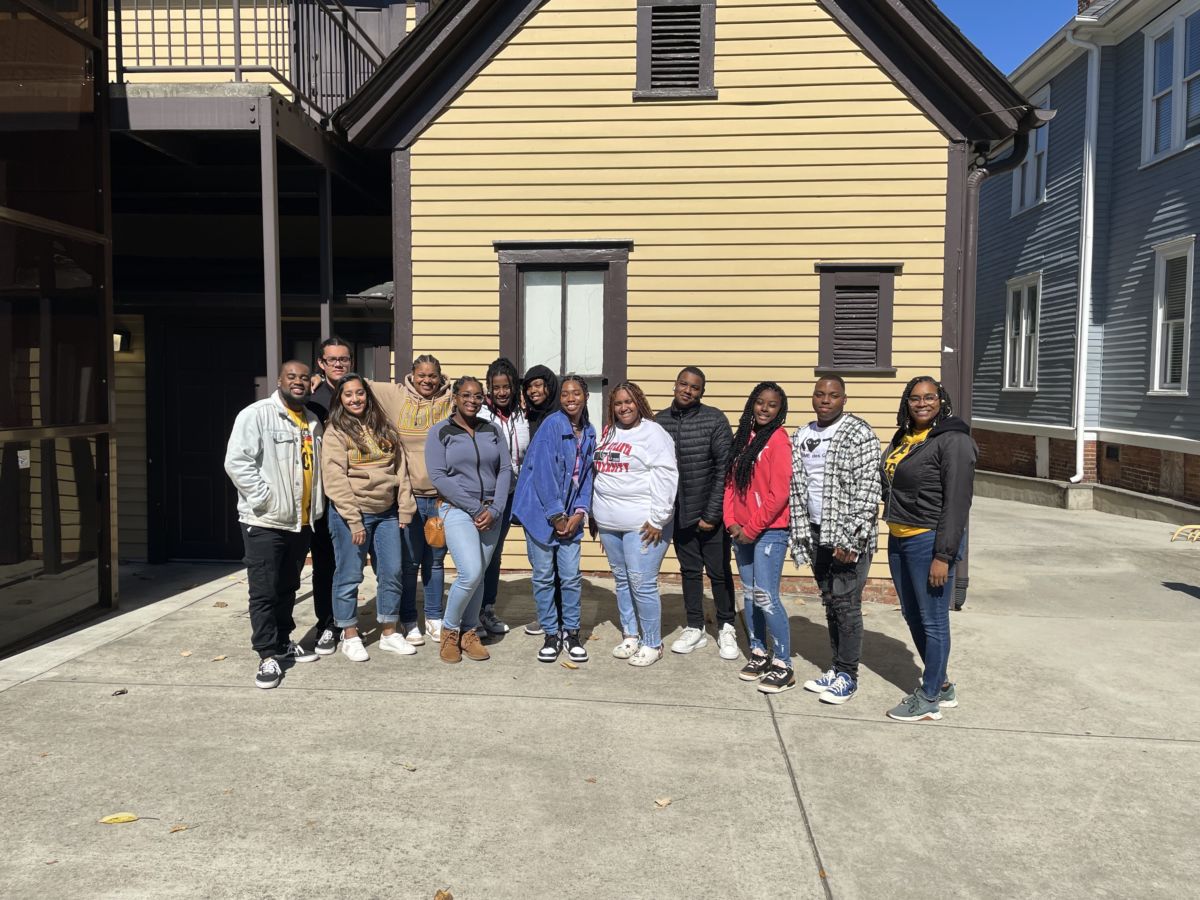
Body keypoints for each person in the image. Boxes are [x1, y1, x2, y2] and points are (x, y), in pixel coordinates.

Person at [881, 376, 976, 723]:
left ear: (941, 400)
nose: (922, 403)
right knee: (912, 614)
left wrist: (943, 555)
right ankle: (943, 683)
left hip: (928, 541)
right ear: (907, 402)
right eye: (915, 398)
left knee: (934, 621)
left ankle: (930, 696)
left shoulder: (953, 440)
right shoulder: (905, 438)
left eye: (929, 397)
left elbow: (957, 504)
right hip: (899, 537)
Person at [224, 360, 323, 689]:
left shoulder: (311, 421)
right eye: (292, 377)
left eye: (304, 378)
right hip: (265, 520)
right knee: (264, 590)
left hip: (300, 521)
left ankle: (282, 642)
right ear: (279, 380)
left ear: (312, 384)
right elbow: (237, 461)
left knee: (288, 586)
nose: (298, 382)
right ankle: (266, 655)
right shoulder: (257, 414)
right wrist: (264, 498)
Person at [788, 376, 881, 705]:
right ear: (812, 398)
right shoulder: (802, 435)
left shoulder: (858, 432)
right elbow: (798, 486)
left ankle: (848, 676)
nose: (825, 400)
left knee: (847, 604)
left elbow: (869, 488)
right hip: (814, 532)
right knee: (830, 602)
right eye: (819, 394)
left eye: (833, 395)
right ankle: (836, 666)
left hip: (846, 536)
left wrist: (852, 537)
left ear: (844, 399)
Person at [320, 374, 418, 663]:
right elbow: (334, 479)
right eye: (348, 394)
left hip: (387, 513)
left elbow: (401, 471)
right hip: (352, 513)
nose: (355, 399)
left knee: (392, 572)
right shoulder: (336, 431)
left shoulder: (384, 426)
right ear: (340, 399)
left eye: (359, 393)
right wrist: (353, 520)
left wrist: (404, 507)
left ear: (367, 395)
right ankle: (349, 634)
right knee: (349, 575)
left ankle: (389, 632)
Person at [425, 376, 512, 663]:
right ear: (455, 397)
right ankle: (449, 631)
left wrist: (496, 509)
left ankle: (469, 631)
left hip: (492, 512)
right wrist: (475, 509)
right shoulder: (440, 431)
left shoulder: (493, 430)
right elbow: (438, 476)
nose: (472, 401)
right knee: (471, 572)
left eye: (477, 396)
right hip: (458, 509)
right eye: (466, 395)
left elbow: (504, 470)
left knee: (481, 575)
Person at [592, 382, 679, 667]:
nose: (623, 407)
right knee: (622, 580)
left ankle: (652, 641)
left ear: (639, 402)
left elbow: (667, 474)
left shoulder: (653, 433)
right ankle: (631, 634)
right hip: (609, 523)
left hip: (642, 524)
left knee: (641, 583)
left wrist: (659, 518)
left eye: (629, 402)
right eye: (618, 403)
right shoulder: (609, 432)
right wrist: (596, 515)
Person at [655, 366, 739, 660]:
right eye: (683, 384)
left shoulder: (714, 419)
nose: (687, 390)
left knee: (718, 572)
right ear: (675, 385)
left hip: (709, 514)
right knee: (690, 572)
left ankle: (727, 625)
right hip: (678, 515)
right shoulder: (659, 421)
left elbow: (723, 469)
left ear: (702, 392)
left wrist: (713, 513)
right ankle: (695, 627)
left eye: (694, 387)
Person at [512, 375, 597, 664]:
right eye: (565, 394)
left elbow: (586, 477)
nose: (570, 398)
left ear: (585, 396)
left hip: (570, 516)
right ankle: (551, 632)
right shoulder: (551, 426)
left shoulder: (589, 432)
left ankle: (571, 632)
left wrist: (578, 513)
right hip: (541, 514)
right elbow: (543, 474)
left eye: (576, 393)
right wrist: (557, 516)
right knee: (545, 576)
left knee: (571, 577)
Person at [373, 355, 453, 643]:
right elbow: (359, 386)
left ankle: (433, 616)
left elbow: (476, 401)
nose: (427, 381)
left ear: (440, 377)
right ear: (412, 375)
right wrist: (325, 382)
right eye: (422, 375)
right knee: (408, 563)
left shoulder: (451, 400)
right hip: (408, 498)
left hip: (441, 499)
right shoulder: (397, 395)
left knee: (435, 561)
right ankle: (408, 619)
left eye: (432, 376)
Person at [725, 382, 794, 694]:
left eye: (772, 405)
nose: (765, 409)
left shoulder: (778, 440)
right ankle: (758, 652)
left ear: (780, 410)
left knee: (767, 596)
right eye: (760, 403)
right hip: (740, 531)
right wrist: (730, 522)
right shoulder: (742, 439)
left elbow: (779, 495)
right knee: (751, 594)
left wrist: (750, 529)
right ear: (752, 403)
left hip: (769, 532)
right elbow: (730, 486)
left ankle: (783, 664)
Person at [305, 337, 355, 656]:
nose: (338, 364)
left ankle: (347, 619)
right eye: (332, 360)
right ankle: (327, 624)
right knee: (325, 563)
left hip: (355, 493)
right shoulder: (310, 399)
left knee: (349, 564)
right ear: (321, 364)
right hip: (322, 496)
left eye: (344, 359)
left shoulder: (359, 392)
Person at [476, 357, 529, 636]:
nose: (502, 392)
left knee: (495, 553)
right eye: (496, 387)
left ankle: (487, 609)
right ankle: (472, 613)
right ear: (489, 388)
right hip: (486, 496)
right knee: (480, 554)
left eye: (506, 386)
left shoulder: (523, 415)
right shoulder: (480, 416)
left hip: (511, 495)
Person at [520, 364, 561, 636]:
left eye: (539, 384)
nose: (534, 390)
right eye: (529, 386)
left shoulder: (561, 416)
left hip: (558, 499)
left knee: (561, 567)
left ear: (549, 386)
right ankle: (547, 618)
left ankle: (560, 620)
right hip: (533, 501)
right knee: (541, 565)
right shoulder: (529, 417)